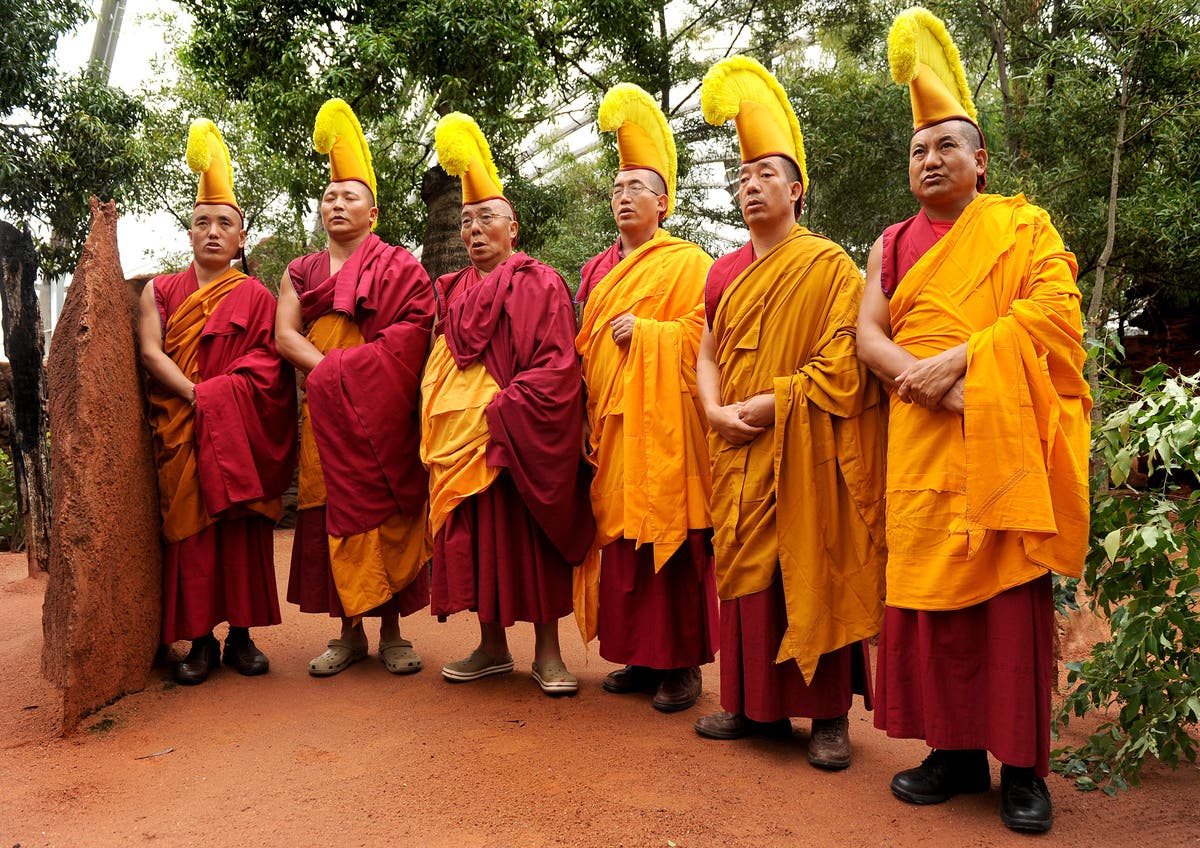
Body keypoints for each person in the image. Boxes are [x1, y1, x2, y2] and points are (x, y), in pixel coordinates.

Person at [857, 8, 1091, 833]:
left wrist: (958, 365)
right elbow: (867, 336)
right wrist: (922, 382)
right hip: (923, 446)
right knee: (936, 614)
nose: (929, 159)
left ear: (980, 160)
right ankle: (952, 755)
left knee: (1008, 616)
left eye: (946, 146)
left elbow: (1055, 314)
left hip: (1002, 445)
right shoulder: (890, 243)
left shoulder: (1023, 227)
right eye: (918, 150)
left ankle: (1022, 770)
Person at [692, 57, 887, 770]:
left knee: (810, 565)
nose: (749, 186)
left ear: (797, 189)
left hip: (802, 443)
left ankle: (829, 717)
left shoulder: (829, 265)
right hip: (737, 441)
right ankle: (753, 706)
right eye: (741, 177)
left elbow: (845, 363)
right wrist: (713, 408)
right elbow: (706, 350)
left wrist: (776, 402)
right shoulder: (725, 272)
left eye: (765, 175)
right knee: (746, 575)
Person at [423, 112, 594, 696]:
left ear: (513, 228)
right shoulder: (454, 291)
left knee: (532, 538)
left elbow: (557, 364)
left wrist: (504, 408)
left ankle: (549, 653)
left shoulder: (538, 281)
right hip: (468, 442)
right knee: (478, 540)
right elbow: (445, 364)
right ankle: (492, 647)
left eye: (487, 219)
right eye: (466, 221)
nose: (474, 230)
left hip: (518, 430)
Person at [276, 99, 434, 677]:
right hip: (326, 413)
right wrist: (334, 375)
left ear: (373, 211)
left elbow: (414, 331)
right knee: (332, 512)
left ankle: (392, 633)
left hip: (383, 413)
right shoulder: (302, 270)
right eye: (329, 197)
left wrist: (345, 376)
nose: (337, 204)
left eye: (349, 196)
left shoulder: (400, 266)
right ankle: (348, 635)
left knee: (386, 511)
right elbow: (284, 335)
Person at [574, 83, 718, 712]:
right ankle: (639, 654)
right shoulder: (596, 270)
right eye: (616, 187)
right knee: (624, 541)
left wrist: (652, 333)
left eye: (636, 187)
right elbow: (585, 347)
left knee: (669, 538)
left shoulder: (690, 263)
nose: (623, 196)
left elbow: (708, 335)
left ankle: (681, 665)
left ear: (663, 202)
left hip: (666, 425)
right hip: (610, 421)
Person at [139, 119, 297, 685]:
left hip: (239, 430)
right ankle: (201, 640)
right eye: (202, 222)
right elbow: (151, 352)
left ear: (241, 237)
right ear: (189, 233)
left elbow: (270, 367)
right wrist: (198, 395)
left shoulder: (256, 295)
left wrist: (221, 399)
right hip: (182, 424)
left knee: (239, 527)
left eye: (224, 223)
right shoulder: (160, 290)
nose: (212, 232)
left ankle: (242, 637)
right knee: (191, 533)